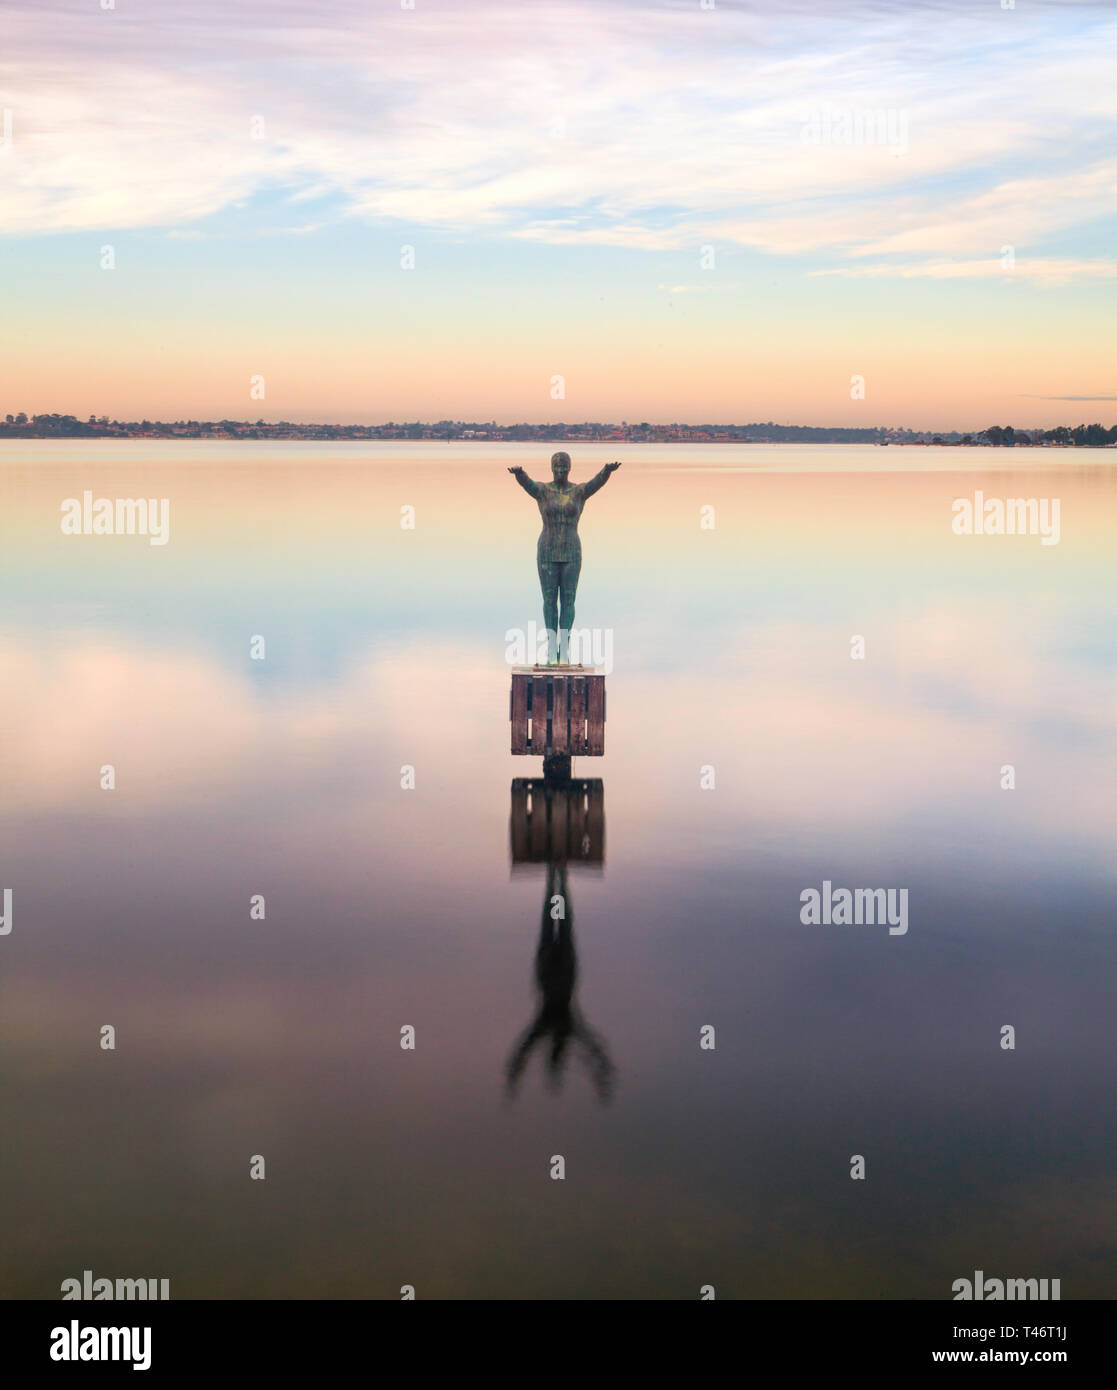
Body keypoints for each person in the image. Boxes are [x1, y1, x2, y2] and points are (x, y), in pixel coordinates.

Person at [508, 452, 621, 663]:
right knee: (549, 600)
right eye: (557, 466)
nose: (560, 470)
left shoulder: (579, 492)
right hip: (547, 551)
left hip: (571, 552)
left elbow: (596, 483)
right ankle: (552, 651)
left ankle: (565, 651)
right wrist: (520, 474)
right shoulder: (543, 491)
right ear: (552, 468)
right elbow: (528, 485)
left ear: (569, 468)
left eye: (564, 466)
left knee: (569, 600)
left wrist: (606, 471)